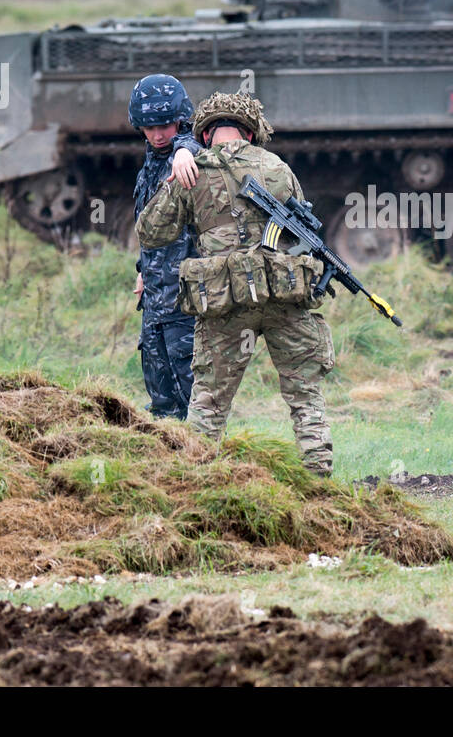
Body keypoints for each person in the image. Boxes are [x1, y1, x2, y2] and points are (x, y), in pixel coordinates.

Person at [136, 92, 335, 476]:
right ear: (250, 129)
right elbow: (302, 233)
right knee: (306, 398)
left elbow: (151, 232)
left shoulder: (193, 169)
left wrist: (178, 181)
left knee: (209, 403)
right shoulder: (278, 167)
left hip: (225, 303)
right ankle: (319, 478)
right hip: (283, 298)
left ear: (206, 134)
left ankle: (193, 483)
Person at [129, 74, 200, 421]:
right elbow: (148, 228)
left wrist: (185, 150)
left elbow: (197, 146)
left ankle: (211, 468)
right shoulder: (149, 164)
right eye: (149, 127)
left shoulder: (189, 152)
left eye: (165, 126)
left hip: (185, 302)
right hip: (155, 303)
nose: (158, 135)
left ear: (180, 119)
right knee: (161, 402)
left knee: (196, 403)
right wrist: (142, 271)